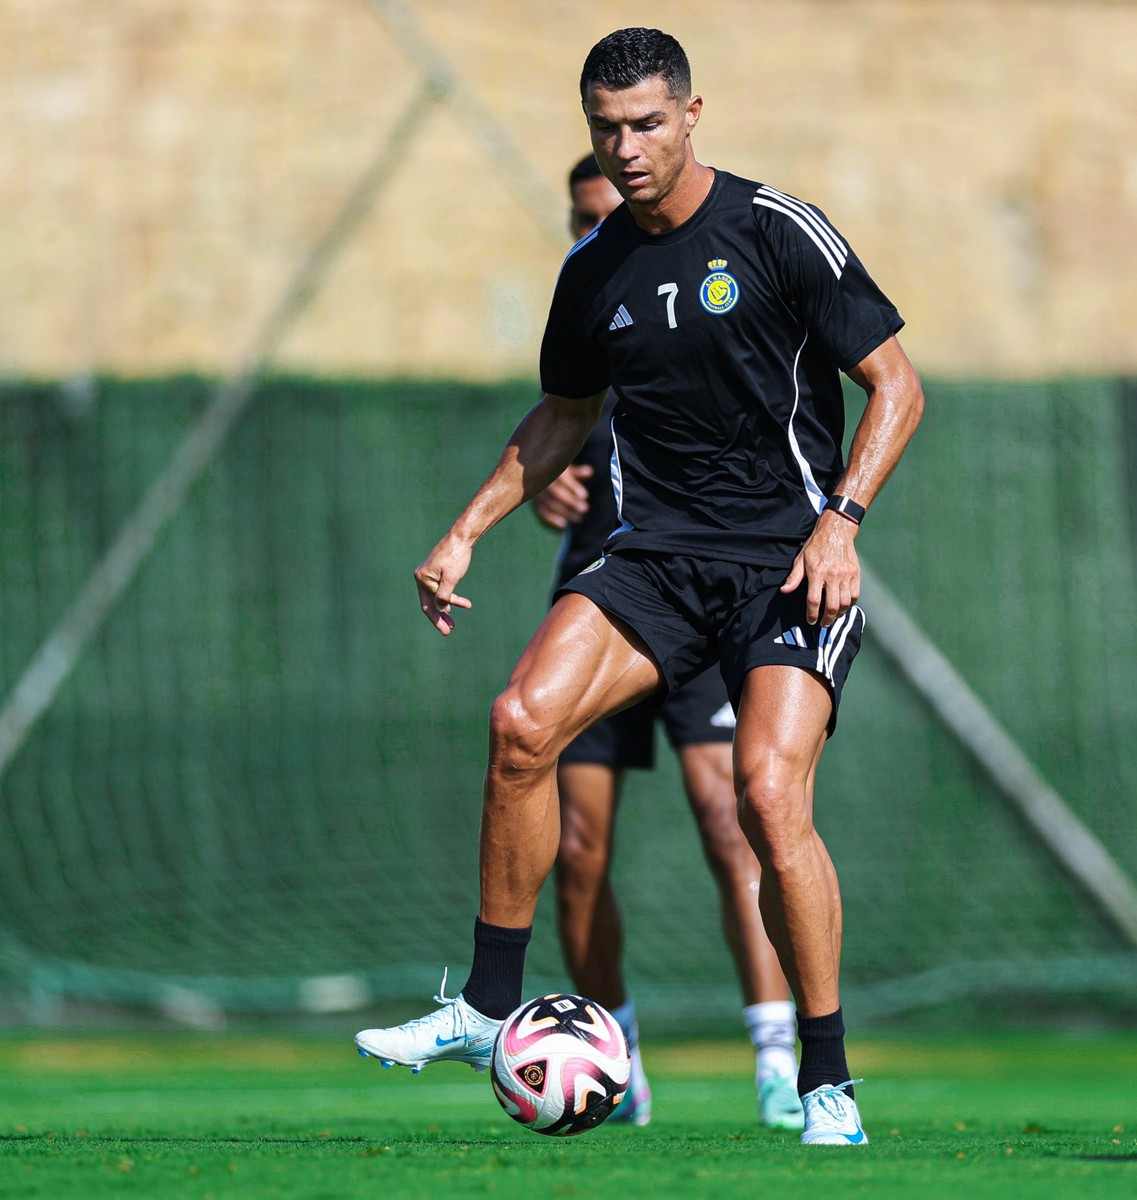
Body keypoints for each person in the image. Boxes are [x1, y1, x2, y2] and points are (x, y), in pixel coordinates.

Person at [357, 27, 923, 1147]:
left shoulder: (777, 230)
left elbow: (896, 386)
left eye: (647, 124)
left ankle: (823, 1078)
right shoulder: (593, 268)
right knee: (520, 723)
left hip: (786, 565)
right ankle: (485, 1006)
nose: (626, 148)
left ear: (691, 115)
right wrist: (464, 533)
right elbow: (564, 414)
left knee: (766, 799)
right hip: (656, 558)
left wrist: (842, 522)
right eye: (606, 128)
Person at [536, 154, 805, 1130]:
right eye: (582, 215)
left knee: (735, 818)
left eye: (608, 207)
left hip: (706, 595)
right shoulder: (588, 304)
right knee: (577, 849)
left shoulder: (700, 299)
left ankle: (777, 1059)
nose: (598, 224)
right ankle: (611, 1062)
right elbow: (555, 428)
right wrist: (544, 488)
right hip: (604, 599)